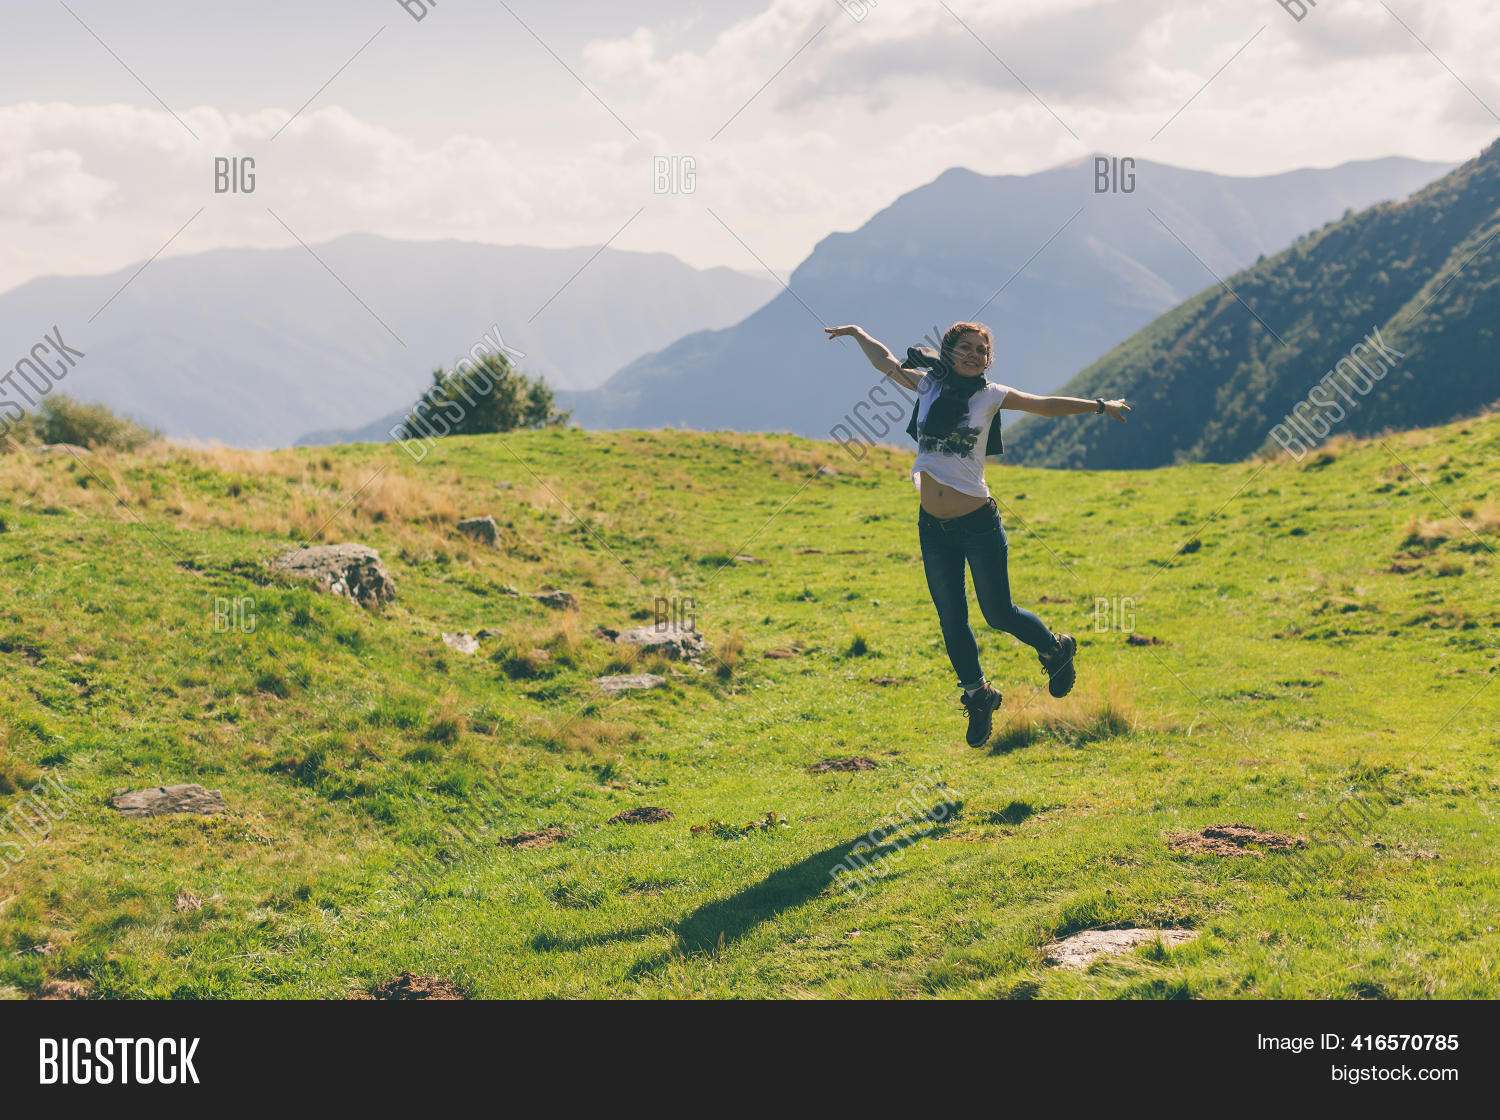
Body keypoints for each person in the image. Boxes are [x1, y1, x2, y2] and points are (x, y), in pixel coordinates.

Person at [823, 321, 1130, 747]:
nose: (973, 354)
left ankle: (1056, 649)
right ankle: (978, 694)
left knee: (998, 613)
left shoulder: (992, 396)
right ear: (948, 352)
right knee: (952, 619)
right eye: (964, 347)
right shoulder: (927, 386)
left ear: (989, 358)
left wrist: (1099, 406)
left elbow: (1045, 405)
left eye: (981, 349)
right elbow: (886, 362)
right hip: (932, 527)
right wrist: (857, 332)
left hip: (978, 524)